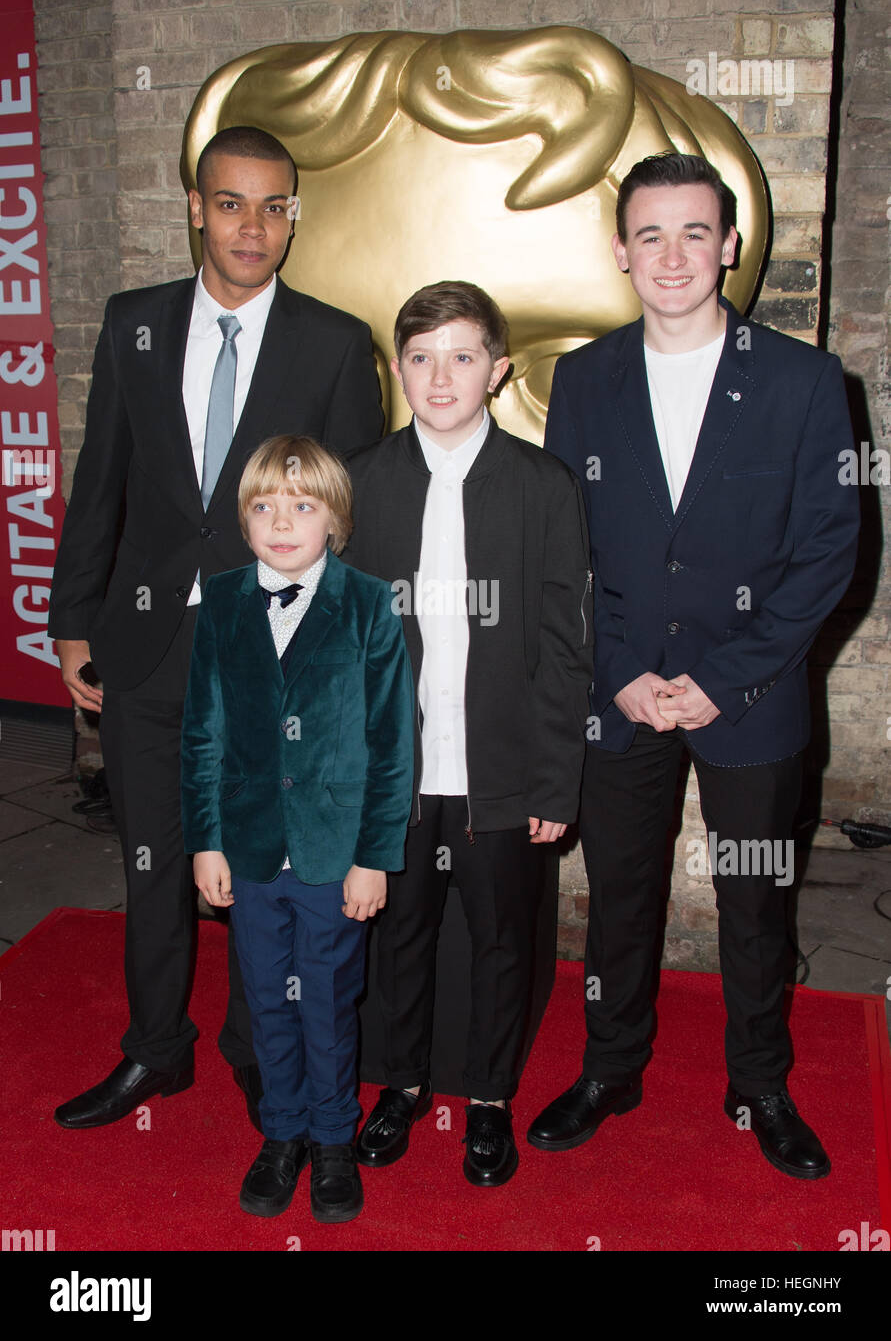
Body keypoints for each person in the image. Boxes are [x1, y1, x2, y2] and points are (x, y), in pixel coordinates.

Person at [529, 152, 860, 1180]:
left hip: (749, 701)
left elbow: (829, 553)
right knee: (620, 891)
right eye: (651, 234)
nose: (673, 255)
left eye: (695, 233)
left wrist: (724, 678)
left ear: (728, 247)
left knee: (756, 897)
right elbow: (563, 543)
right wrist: (620, 668)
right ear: (620, 250)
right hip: (621, 693)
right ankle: (610, 1066)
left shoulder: (807, 382)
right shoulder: (585, 378)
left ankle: (759, 1080)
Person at [47, 126, 383, 1131]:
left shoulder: (332, 341)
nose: (254, 226)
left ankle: (254, 1046)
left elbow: (352, 519)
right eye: (232, 203)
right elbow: (98, 479)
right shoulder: (133, 322)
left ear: (293, 218)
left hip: (267, 658)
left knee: (260, 870)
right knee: (151, 860)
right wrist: (71, 620)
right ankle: (156, 1051)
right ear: (196, 206)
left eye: (275, 207)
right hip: (145, 650)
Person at [343, 280, 592, 1186]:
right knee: (397, 936)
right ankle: (400, 1085)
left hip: (500, 767)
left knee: (500, 939)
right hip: (396, 768)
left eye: (460, 355)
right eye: (419, 357)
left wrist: (553, 782)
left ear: (498, 369)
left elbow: (567, 649)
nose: (438, 376)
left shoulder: (543, 486)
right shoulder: (363, 482)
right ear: (398, 368)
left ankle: (488, 1100)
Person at [181, 436, 413, 1221]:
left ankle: (334, 1141)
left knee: (326, 998)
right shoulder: (219, 600)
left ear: (333, 519)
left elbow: (391, 744)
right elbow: (203, 732)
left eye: (302, 506)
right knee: (264, 999)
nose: (282, 523)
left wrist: (374, 856)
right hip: (246, 847)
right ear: (243, 520)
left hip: (334, 851)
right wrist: (205, 839)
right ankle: (281, 1135)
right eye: (263, 507)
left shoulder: (368, 602)